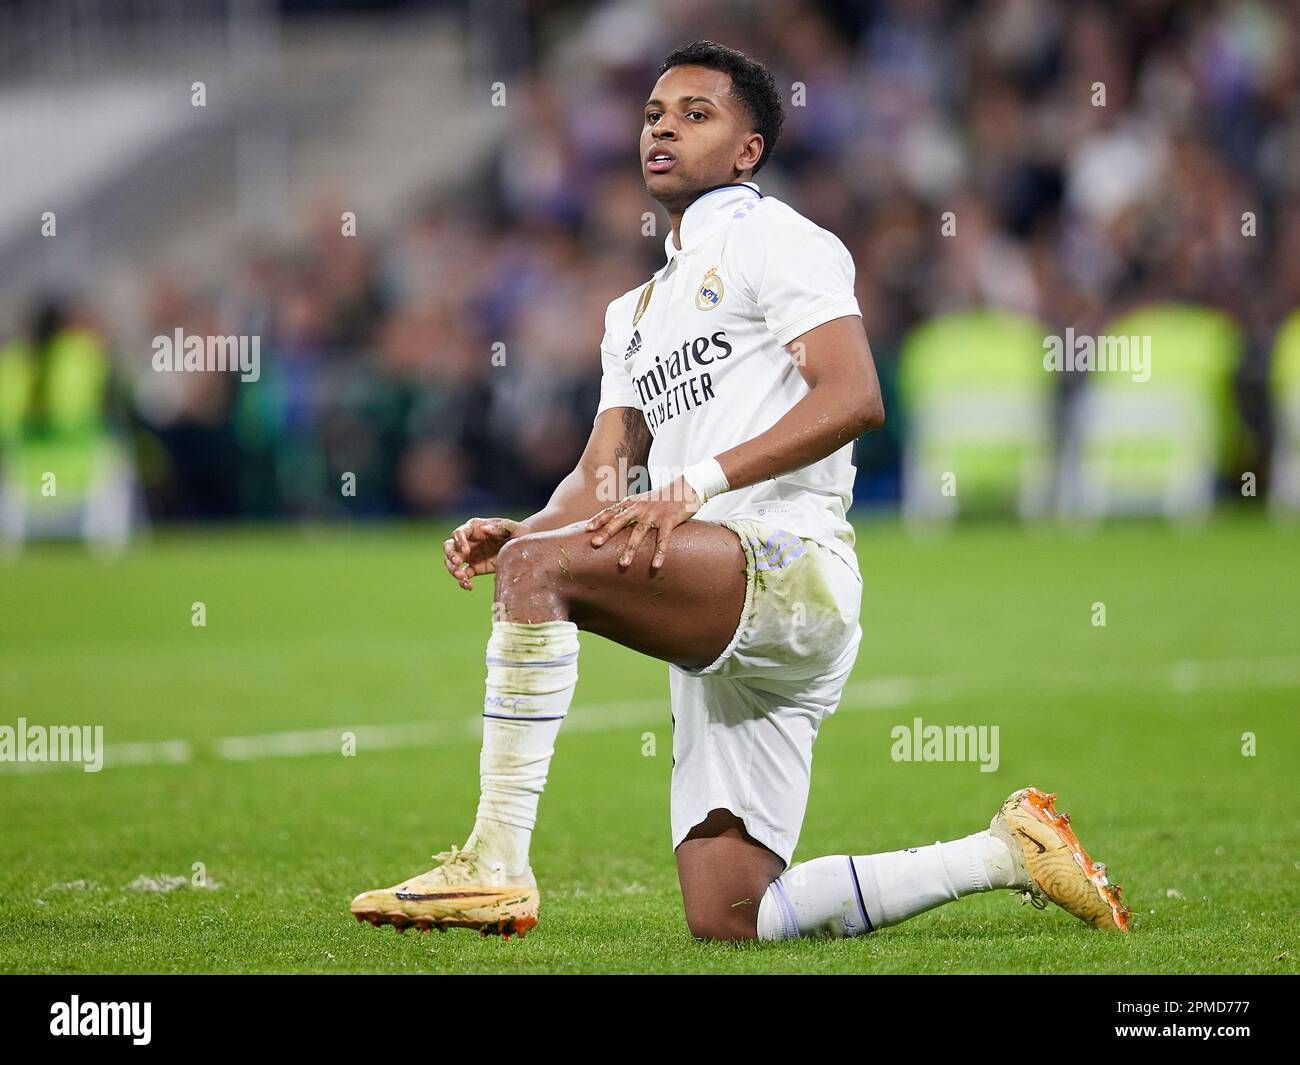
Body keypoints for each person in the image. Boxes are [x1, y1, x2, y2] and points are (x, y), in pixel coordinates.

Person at [350, 40, 1128, 941]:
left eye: (695, 114)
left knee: (540, 577)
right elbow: (606, 468)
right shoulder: (631, 314)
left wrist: (690, 488)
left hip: (788, 562)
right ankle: (1004, 852)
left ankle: (495, 863)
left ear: (748, 149)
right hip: (712, 589)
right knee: (733, 917)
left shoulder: (778, 240)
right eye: (652, 115)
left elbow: (855, 395)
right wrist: (527, 527)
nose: (663, 130)